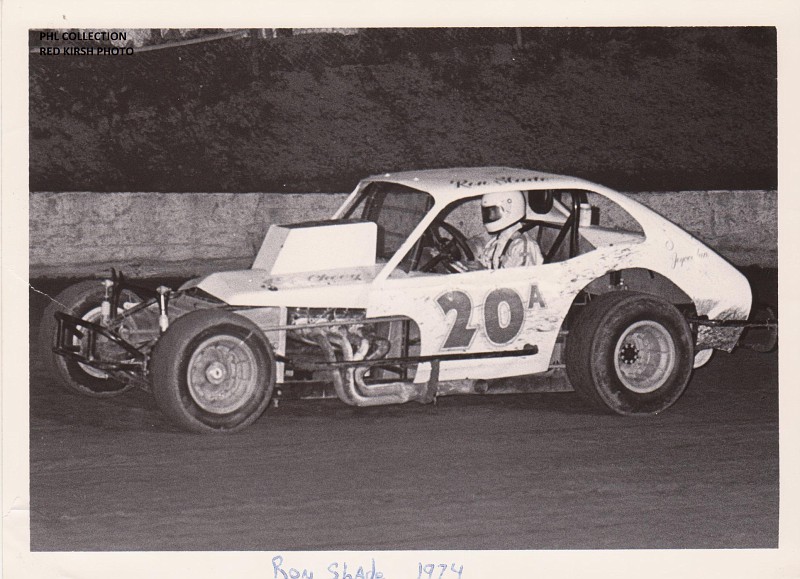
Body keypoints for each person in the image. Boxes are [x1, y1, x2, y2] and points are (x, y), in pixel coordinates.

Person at [453, 190, 543, 271]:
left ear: (510, 210)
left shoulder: (523, 245)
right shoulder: (498, 240)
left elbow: (519, 283)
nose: (490, 216)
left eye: (493, 212)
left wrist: (483, 271)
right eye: (487, 212)